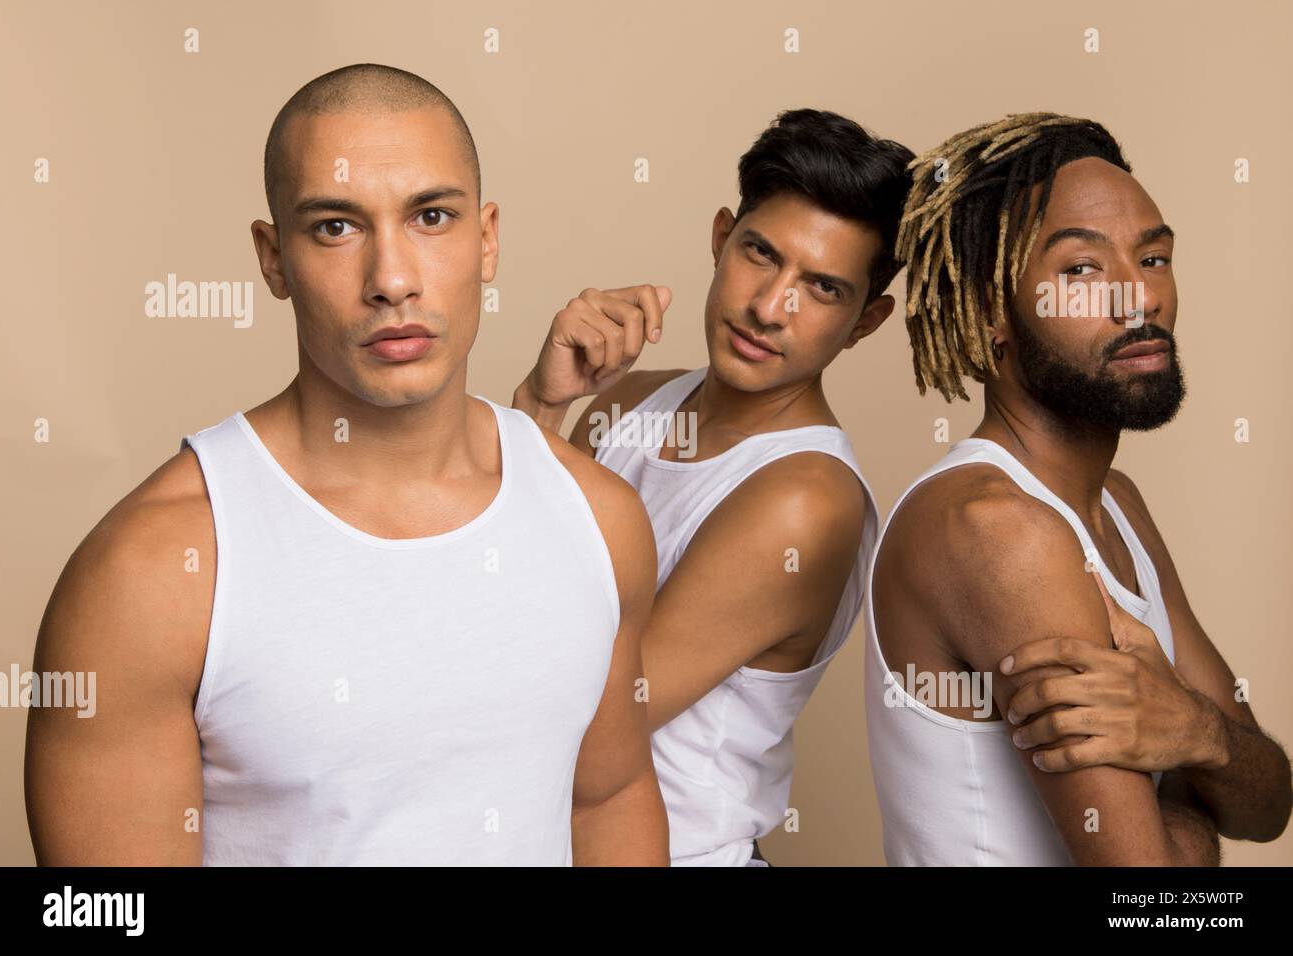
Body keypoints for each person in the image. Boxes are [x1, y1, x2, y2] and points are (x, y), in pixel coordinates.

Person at [25, 63, 669, 866]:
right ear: (272, 259)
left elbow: (606, 802)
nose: (392, 280)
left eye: (431, 216)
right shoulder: (154, 570)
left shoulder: (598, 518)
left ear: (488, 237)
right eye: (336, 226)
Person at [866, 113, 1292, 865]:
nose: (1141, 299)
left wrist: (1194, 730)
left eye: (1154, 257)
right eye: (1082, 271)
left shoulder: (1117, 504)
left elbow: (1269, 805)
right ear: (990, 311)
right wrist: (1196, 785)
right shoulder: (997, 528)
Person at [512, 109, 914, 866]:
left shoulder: (807, 501)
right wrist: (539, 402)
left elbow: (583, 717)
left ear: (868, 321)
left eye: (822, 288)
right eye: (760, 254)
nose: (770, 308)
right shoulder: (627, 404)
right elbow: (501, 588)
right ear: (722, 235)